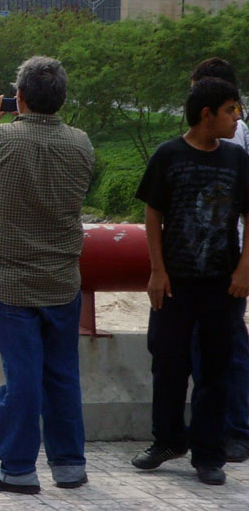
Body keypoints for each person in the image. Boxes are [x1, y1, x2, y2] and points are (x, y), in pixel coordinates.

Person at [0, 56, 95, 494]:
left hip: (8, 283)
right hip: (62, 280)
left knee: (23, 376)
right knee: (62, 374)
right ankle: (69, 466)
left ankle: (17, 469)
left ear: (21, 97)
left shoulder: (0, 139)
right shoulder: (81, 143)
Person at [132, 77, 249, 485]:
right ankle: (167, 440)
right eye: (230, 110)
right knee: (168, 364)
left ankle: (209, 454)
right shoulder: (168, 155)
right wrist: (157, 270)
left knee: (216, 371)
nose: (236, 119)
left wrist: (244, 268)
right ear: (206, 114)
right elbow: (152, 213)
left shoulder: (236, 158)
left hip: (223, 283)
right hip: (175, 282)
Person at [188, 59, 249, 462]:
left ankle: (235, 429)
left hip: (226, 256)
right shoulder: (237, 129)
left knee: (227, 345)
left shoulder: (231, 136)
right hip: (222, 254)